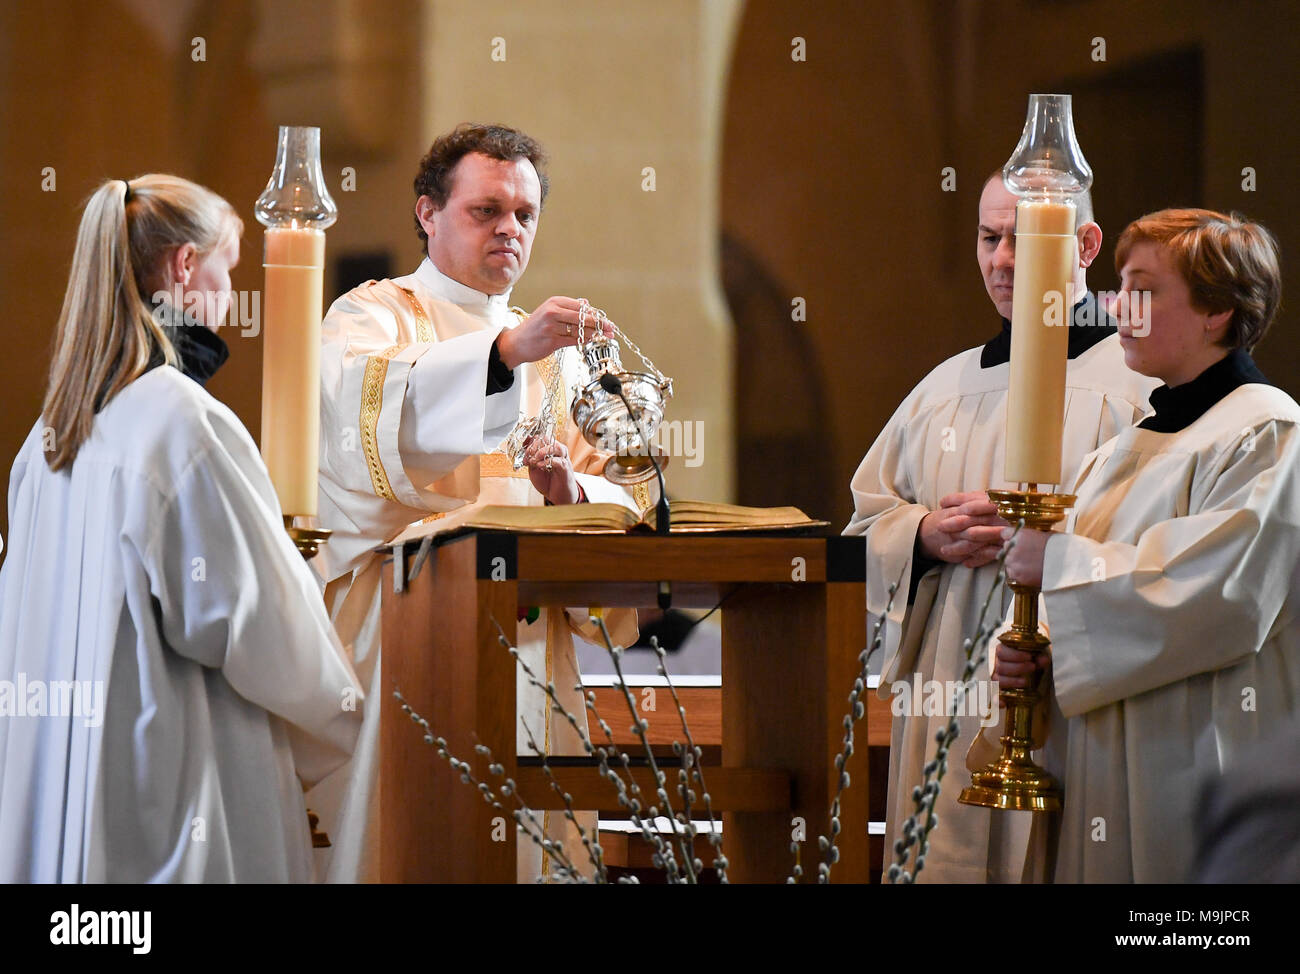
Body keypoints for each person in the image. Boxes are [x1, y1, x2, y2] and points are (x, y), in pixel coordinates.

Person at [0, 175, 363, 882]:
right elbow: (260, 627)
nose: (232, 292)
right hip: (175, 795)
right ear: (184, 268)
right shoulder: (182, 423)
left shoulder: (46, 440)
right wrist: (349, 726)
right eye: (228, 266)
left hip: (62, 791)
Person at [308, 123, 644, 883]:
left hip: (529, 651)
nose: (510, 230)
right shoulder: (371, 316)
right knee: (407, 845)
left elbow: (629, 499)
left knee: (526, 851)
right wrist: (502, 355)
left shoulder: (565, 354)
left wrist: (570, 493)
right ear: (428, 213)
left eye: (525, 214)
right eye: (486, 210)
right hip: (403, 636)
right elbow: (356, 435)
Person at [843, 172, 1159, 882]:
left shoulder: (1142, 390)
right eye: (989, 238)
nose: (1003, 260)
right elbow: (861, 531)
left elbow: (1166, 555)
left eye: (1025, 239)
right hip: (950, 693)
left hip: (1075, 697)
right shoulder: (942, 390)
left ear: (1085, 246)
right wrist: (921, 537)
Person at [995, 208, 1300, 883]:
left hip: (1198, 756)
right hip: (1099, 765)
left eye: (1143, 288)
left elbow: (1225, 595)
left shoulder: (1269, 432)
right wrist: (1036, 653)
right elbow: (1081, 621)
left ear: (1216, 311)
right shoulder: (1117, 451)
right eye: (1117, 286)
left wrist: (1061, 565)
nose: (1117, 307)